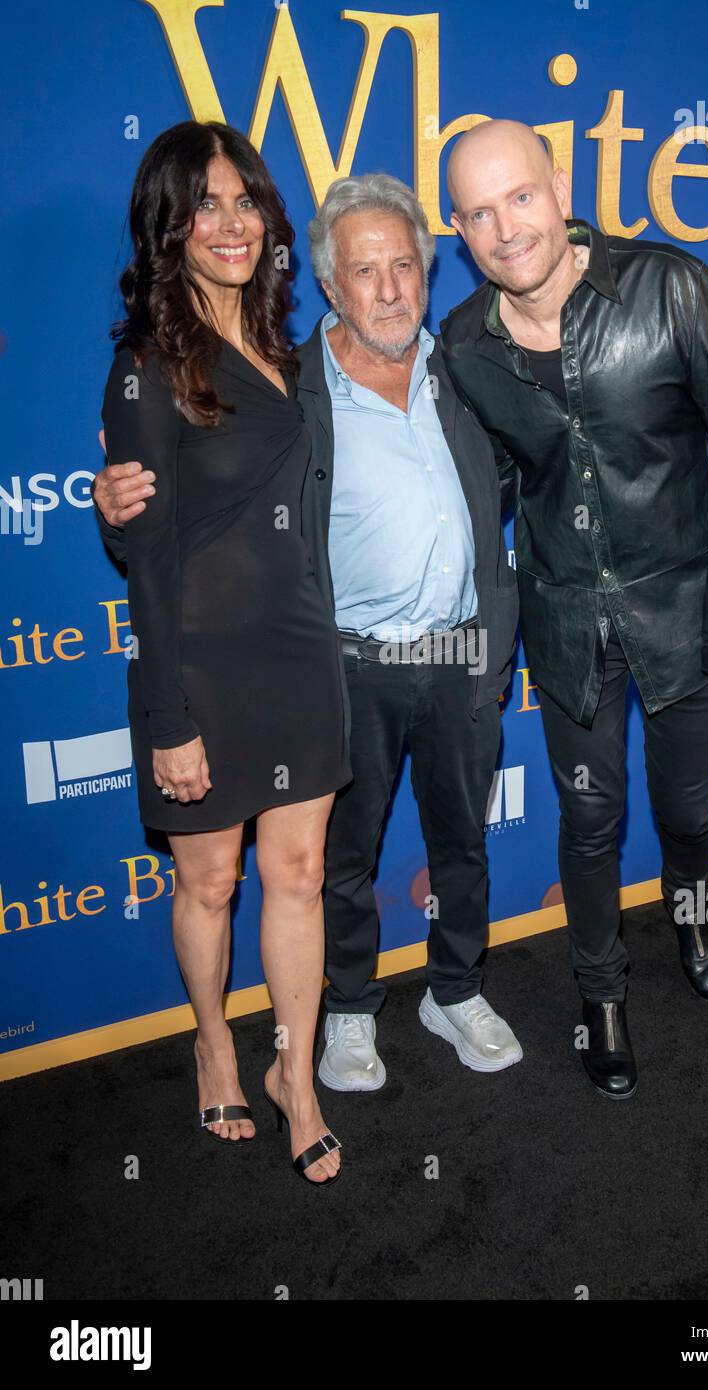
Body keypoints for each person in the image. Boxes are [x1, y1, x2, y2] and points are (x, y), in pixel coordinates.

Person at [94, 173, 523, 1092]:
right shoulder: (287, 385)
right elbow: (201, 502)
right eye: (366, 272)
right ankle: (353, 1011)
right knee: (339, 862)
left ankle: (456, 988)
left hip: (458, 657)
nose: (391, 290)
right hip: (343, 665)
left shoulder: (469, 368)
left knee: (464, 845)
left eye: (405, 266)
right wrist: (113, 506)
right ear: (329, 283)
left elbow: (536, 473)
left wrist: (496, 636)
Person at [440, 119, 708, 1100]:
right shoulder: (465, 346)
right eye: (477, 213)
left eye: (518, 196)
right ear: (458, 231)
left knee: (687, 808)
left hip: (684, 612)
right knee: (588, 822)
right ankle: (601, 998)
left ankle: (692, 909)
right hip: (564, 622)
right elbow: (482, 494)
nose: (505, 227)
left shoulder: (669, 285)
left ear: (556, 187)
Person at [100, 119, 351, 1183]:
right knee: (209, 886)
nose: (232, 222)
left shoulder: (285, 345)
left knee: (295, 875)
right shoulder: (144, 367)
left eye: (244, 199)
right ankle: (213, 1042)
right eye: (204, 204)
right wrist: (169, 720)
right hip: (200, 671)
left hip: (299, 655)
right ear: (169, 225)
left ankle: (293, 1070)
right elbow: (147, 553)